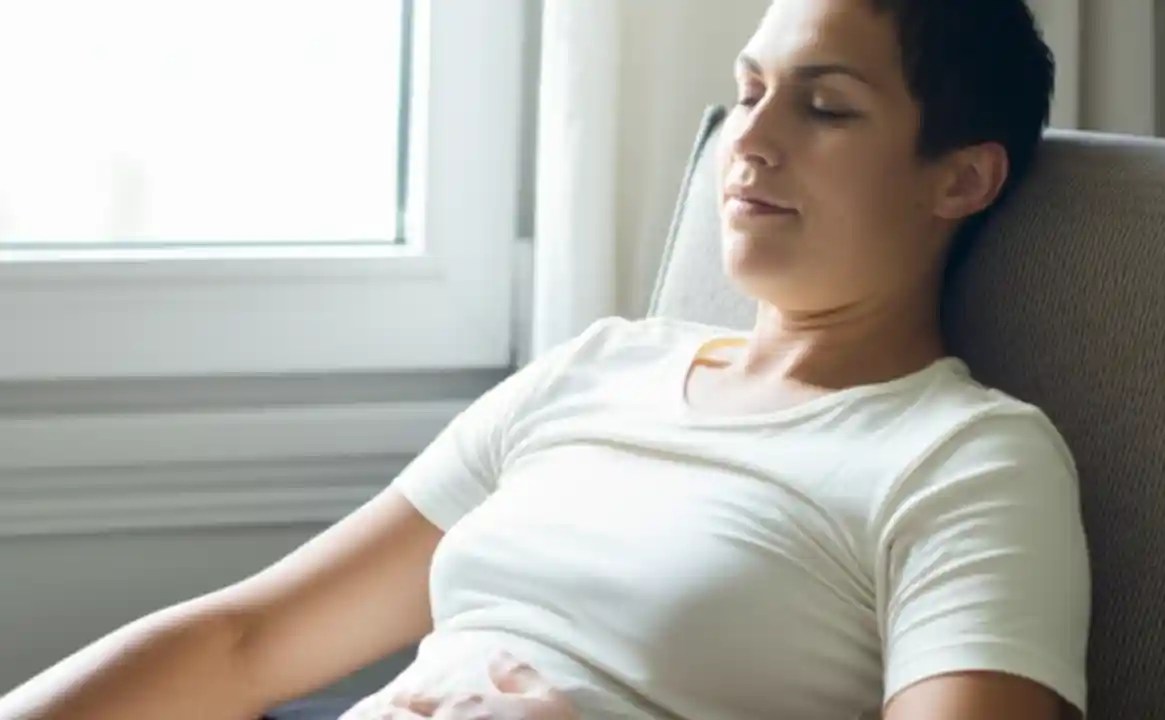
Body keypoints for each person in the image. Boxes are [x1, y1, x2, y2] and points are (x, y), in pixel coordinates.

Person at [0, 0, 1089, 718]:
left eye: (826, 108)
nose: (748, 141)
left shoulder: (963, 462)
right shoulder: (597, 372)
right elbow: (245, 641)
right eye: (750, 90)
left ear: (959, 180)